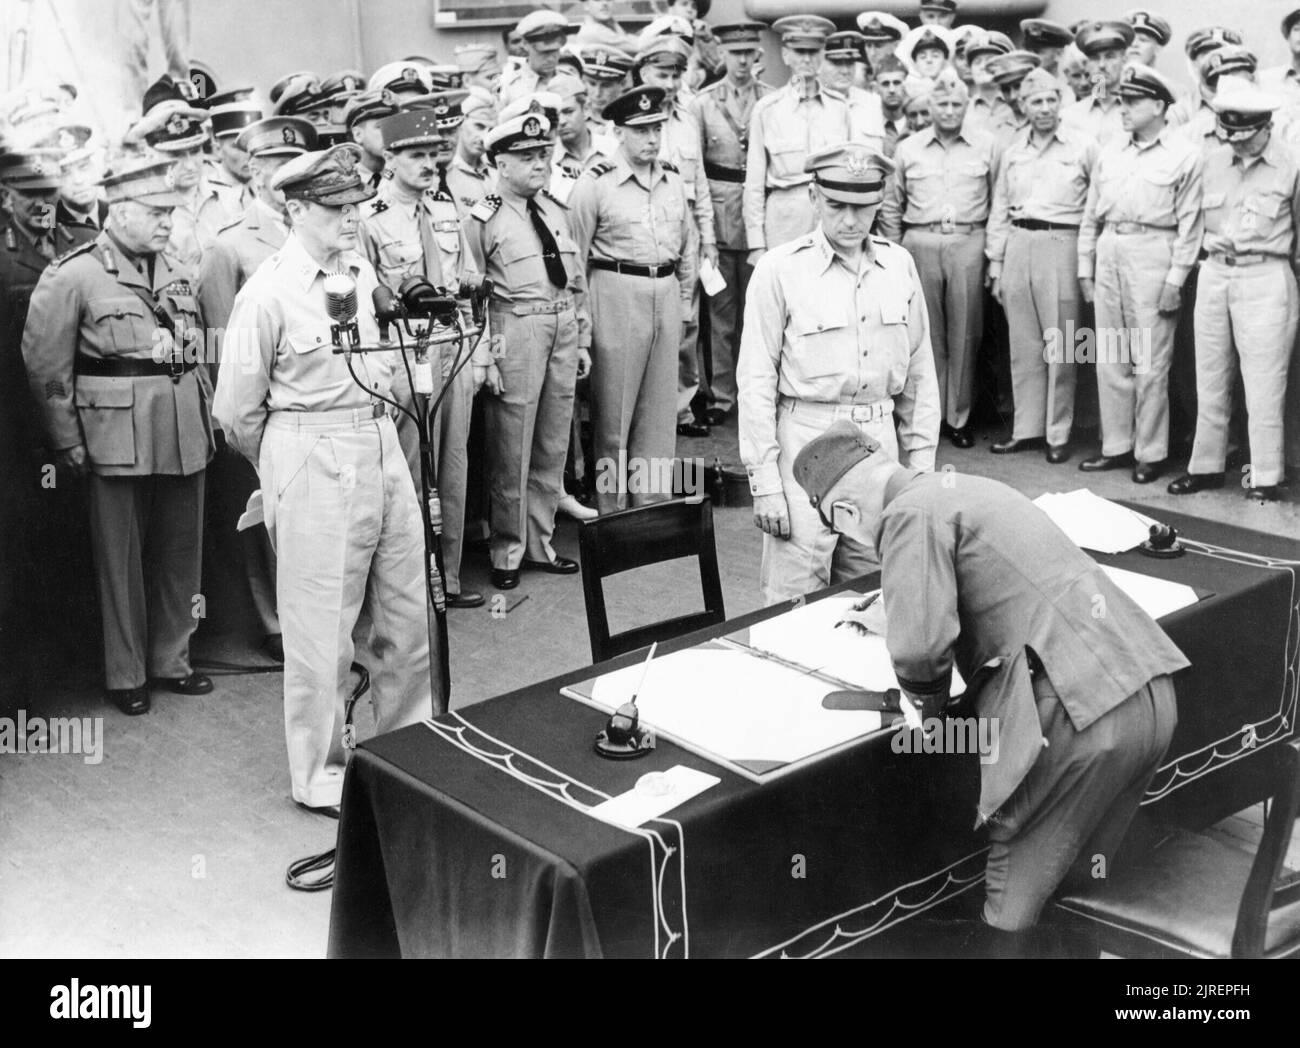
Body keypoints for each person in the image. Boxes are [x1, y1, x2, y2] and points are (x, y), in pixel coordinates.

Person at [790, 421, 1187, 953]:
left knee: (1010, 898)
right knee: (1076, 886)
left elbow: (920, 652)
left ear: (843, 512)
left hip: (1078, 722)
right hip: (1147, 691)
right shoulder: (967, 488)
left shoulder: (905, 516)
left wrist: (928, 715)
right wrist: (907, 607)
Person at [214, 144, 435, 814]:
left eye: (357, 207)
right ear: (297, 208)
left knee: (407, 610)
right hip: (310, 449)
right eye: (336, 209)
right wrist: (284, 470)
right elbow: (234, 413)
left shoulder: (360, 273)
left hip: (379, 439)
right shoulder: (269, 294)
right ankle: (322, 774)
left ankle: (409, 754)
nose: (350, 220)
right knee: (320, 634)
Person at [22, 156, 216, 717]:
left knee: (182, 552)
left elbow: (196, 347)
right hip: (114, 430)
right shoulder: (74, 274)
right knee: (121, 558)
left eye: (171, 213)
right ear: (120, 211)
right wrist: (67, 439)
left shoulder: (177, 267)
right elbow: (45, 366)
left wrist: (208, 414)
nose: (166, 223)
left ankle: (172, 660)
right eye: (156, 213)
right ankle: (126, 672)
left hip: (180, 424)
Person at [737, 143, 939, 606]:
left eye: (863, 208)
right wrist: (765, 484)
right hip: (805, 440)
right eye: (836, 206)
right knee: (795, 597)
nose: (850, 220)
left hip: (878, 444)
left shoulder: (898, 265)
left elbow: (921, 375)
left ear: (879, 204)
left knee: (873, 591)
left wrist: (922, 469)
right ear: (813, 197)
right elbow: (755, 381)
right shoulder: (778, 270)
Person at [197, 116, 317, 663]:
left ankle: (314, 611)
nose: (281, 174)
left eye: (292, 164)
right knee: (267, 508)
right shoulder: (229, 244)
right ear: (253, 168)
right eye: (271, 164)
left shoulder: (322, 227)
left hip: (316, 390)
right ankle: (275, 622)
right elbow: (226, 345)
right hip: (265, 402)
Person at [357, 102, 486, 609]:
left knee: (453, 463)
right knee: (408, 470)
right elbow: (365, 301)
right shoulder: (368, 219)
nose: (429, 163)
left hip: (452, 345)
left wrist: (479, 355)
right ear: (389, 159)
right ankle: (407, 586)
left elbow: (469, 282)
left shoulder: (446, 211)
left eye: (433, 153)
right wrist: (380, 371)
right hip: (404, 351)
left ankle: (447, 576)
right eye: (415, 154)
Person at [463, 111, 592, 591]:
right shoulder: (483, 218)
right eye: (527, 157)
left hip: (559, 325)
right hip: (513, 329)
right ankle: (507, 550)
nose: (540, 164)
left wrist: (581, 338)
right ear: (500, 163)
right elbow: (471, 296)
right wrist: (485, 355)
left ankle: (541, 543)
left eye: (544, 155)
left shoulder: (556, 210)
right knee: (511, 446)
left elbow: (574, 284)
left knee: (552, 442)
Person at [1168, 84, 1300, 503]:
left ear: (1267, 126)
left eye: (1247, 134)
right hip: (1214, 272)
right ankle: (1205, 467)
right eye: (1230, 133)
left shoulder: (1290, 165)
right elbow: (1191, 225)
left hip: (1265, 274)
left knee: (1263, 381)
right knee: (1209, 376)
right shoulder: (1211, 162)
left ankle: (1264, 475)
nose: (1238, 142)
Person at [1076, 66, 1203, 486]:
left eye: (1132, 102)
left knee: (1150, 361)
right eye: (1122, 101)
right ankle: (1116, 445)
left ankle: (1150, 452)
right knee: (1109, 354)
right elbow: (1091, 215)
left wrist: (1175, 280)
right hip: (1111, 248)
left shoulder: (1184, 154)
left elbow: (1190, 226)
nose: (1123, 109)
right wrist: (1085, 268)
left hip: (1154, 252)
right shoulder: (1111, 150)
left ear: (1159, 106)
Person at [568, 85, 691, 516]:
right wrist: (582, 324)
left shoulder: (673, 178)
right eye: (640, 131)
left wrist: (687, 303)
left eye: (656, 128)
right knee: (614, 413)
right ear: (618, 133)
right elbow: (575, 260)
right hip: (615, 290)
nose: (651, 139)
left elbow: (686, 246)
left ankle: (652, 503)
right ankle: (612, 508)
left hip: (666, 291)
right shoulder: (596, 184)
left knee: (659, 411)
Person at [880, 70, 996, 450]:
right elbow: (892, 206)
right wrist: (896, 255)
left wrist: (991, 252)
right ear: (929, 107)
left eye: (956, 104)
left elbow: (999, 202)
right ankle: (924, 416)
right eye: (942, 104)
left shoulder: (987, 146)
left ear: (967, 107)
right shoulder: (908, 148)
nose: (948, 111)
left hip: (967, 240)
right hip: (920, 241)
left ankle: (957, 417)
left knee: (965, 334)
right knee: (923, 334)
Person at [986, 68, 1097, 463]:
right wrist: (996, 263)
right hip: (1019, 243)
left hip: (1061, 243)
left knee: (1063, 344)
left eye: (1052, 99)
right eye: (1036, 101)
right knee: (1024, 345)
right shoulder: (1014, 150)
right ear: (1023, 105)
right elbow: (1000, 208)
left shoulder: (1083, 147)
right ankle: (1027, 429)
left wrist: (1086, 262)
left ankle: (1057, 433)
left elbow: (1093, 211)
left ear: (1060, 102)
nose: (1045, 108)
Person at [634, 33, 716, 440]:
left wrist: (710, 239)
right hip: (647, 226)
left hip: (688, 230)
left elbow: (699, 181)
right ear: (643, 71)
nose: (668, 83)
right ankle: (647, 408)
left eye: (675, 75)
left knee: (687, 324)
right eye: (662, 73)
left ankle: (682, 408)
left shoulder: (688, 117)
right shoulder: (632, 114)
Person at [691, 21, 771, 426]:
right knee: (720, 315)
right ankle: (722, 395)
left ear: (758, 54)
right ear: (720, 53)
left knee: (756, 315)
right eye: (734, 52)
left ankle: (756, 393)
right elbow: (698, 172)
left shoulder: (771, 100)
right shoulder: (702, 103)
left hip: (760, 222)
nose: (742, 60)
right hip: (719, 220)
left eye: (749, 52)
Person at [744, 16, 850, 257]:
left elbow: (847, 171)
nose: (806, 58)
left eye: (813, 51)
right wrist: (756, 243)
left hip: (831, 212)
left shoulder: (839, 108)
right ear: (785, 55)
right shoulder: (767, 109)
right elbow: (754, 182)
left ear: (823, 55)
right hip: (785, 217)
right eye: (799, 51)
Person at [1063, 20, 1134, 148]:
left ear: (1124, 60)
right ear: (1086, 65)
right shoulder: (1069, 116)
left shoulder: (1139, 111)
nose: (1101, 65)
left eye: (1110, 57)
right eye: (1095, 58)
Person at [821, 31, 886, 150]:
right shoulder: (810, 104)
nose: (845, 71)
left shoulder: (872, 102)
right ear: (819, 64)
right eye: (837, 63)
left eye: (850, 63)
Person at [500, 11, 579, 106]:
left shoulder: (571, 80)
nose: (550, 59)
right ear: (525, 44)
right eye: (544, 52)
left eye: (555, 51)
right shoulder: (508, 85)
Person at [447, 88, 498, 213]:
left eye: (490, 130)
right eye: (479, 126)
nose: (485, 138)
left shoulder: (496, 175)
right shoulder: (446, 173)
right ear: (460, 124)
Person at [573, 0, 638, 54]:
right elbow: (640, 46)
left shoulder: (590, 27)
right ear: (586, 5)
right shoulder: (596, 31)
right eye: (597, 0)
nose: (605, 3)